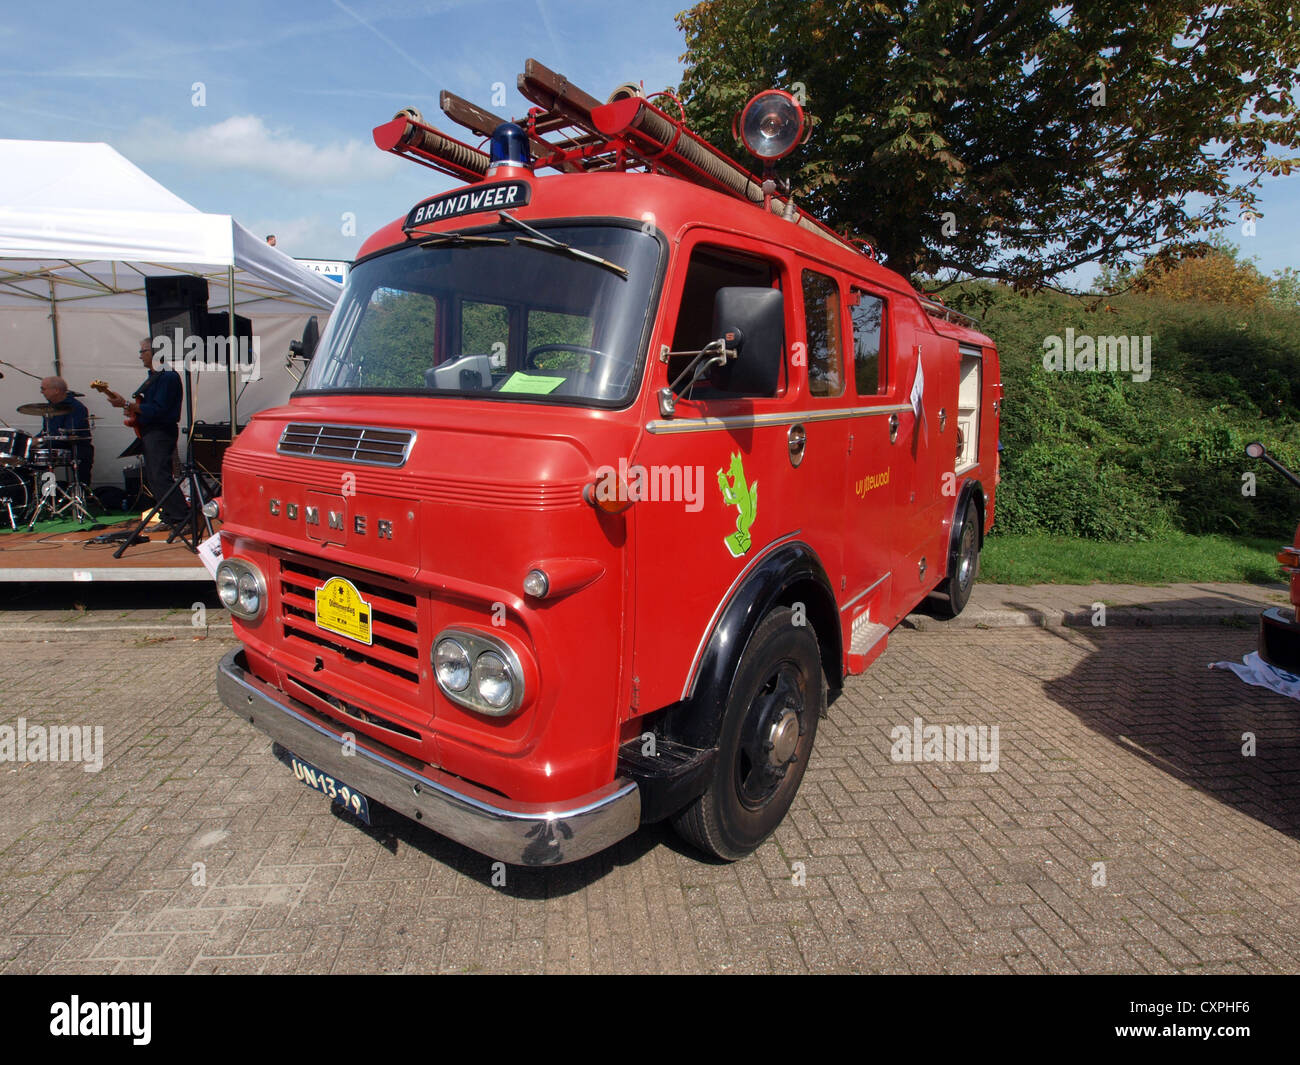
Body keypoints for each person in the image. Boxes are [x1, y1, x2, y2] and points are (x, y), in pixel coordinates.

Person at [106, 338, 186, 526]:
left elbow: (160, 410)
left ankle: (180, 516)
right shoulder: (154, 377)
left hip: (161, 430)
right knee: (154, 476)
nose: (140, 355)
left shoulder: (167, 376)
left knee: (160, 475)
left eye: (143, 351)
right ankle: (171, 516)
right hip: (152, 431)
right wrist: (131, 407)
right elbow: (147, 407)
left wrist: (128, 405)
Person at [38, 376, 94, 486]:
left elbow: (68, 432)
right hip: (55, 447)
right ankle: (38, 493)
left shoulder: (76, 407)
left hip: (76, 448)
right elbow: (46, 431)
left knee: (81, 474)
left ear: (56, 390)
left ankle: (82, 495)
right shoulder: (49, 408)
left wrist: (41, 440)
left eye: (43, 389)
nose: (42, 392)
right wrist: (32, 440)